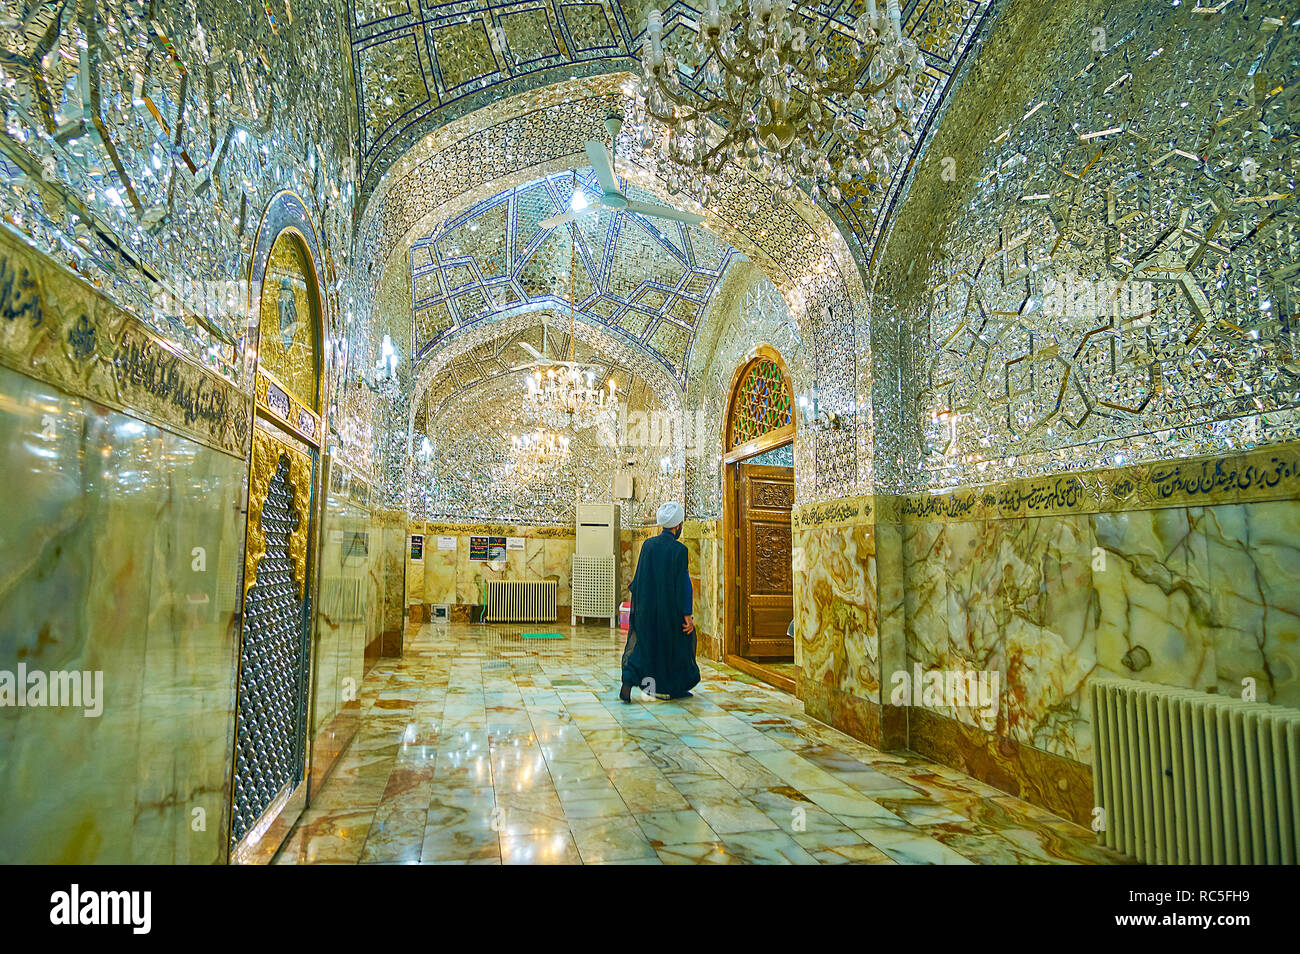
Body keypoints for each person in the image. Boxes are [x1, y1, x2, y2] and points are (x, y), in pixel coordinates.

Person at [619, 501, 699, 702]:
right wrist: (687, 614)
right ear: (678, 526)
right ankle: (667, 687)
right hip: (668, 611)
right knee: (676, 644)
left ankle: (628, 682)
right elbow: (683, 584)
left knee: (644, 644)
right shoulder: (679, 550)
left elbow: (639, 579)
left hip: (645, 608)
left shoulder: (648, 545)